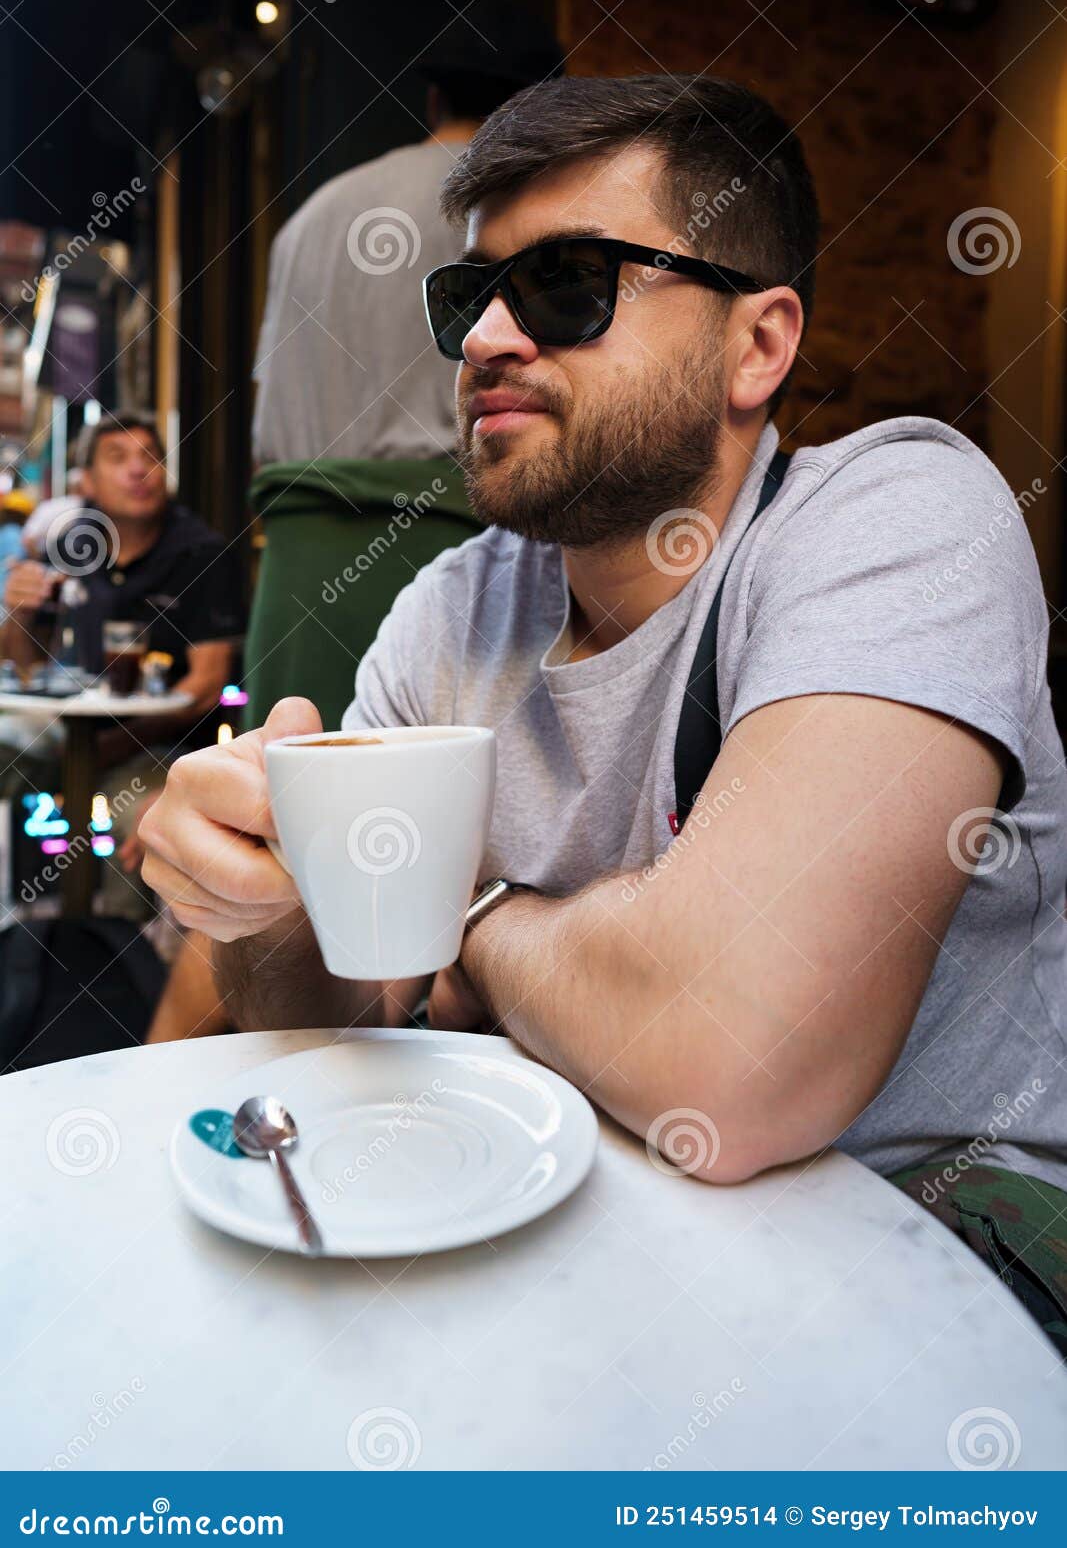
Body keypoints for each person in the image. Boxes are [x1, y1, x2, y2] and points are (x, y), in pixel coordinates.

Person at [142, 75, 1067, 1349]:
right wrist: (253, 911)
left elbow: (733, 1061)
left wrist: (472, 917)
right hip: (578, 1224)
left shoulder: (895, 521)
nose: (483, 344)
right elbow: (336, 1018)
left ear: (759, 344)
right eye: (468, 299)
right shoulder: (449, 608)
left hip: (938, 1253)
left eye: (569, 284)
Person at [243, 8, 564, 731]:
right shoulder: (512, 210)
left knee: (285, 820)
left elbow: (270, 391)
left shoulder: (311, 217)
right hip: (453, 553)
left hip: (299, 570)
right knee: (458, 833)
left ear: (432, 101)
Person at [1, 413, 244, 915]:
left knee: (145, 822)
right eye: (118, 457)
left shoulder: (199, 554)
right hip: (64, 731)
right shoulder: (69, 539)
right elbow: (25, 667)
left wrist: (100, 750)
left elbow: (205, 687)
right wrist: (20, 613)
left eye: (151, 456)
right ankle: (20, 950)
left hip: (161, 746)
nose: (140, 470)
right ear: (85, 480)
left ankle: (118, 971)